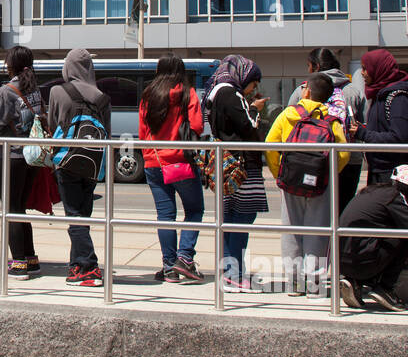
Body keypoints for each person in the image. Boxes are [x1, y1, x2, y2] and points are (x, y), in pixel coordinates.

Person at [266, 73, 350, 296]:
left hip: (291, 182)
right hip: (320, 185)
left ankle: (295, 283)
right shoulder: (332, 120)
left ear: (307, 92)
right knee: (318, 230)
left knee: (292, 230)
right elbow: (343, 154)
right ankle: (314, 284)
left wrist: (279, 173)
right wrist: (328, 175)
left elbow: (270, 144)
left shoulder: (288, 115)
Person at [202, 54, 268, 291]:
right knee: (242, 219)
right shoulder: (230, 93)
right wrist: (254, 108)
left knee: (228, 220)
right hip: (241, 165)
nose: (254, 87)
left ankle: (228, 272)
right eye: (254, 82)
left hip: (225, 164)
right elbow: (247, 126)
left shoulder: (214, 91)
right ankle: (234, 274)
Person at [139, 55, 205, 284]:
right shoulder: (188, 92)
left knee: (165, 216)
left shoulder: (148, 94)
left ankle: (169, 267)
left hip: (154, 161)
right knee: (194, 211)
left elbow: (142, 132)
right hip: (181, 163)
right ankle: (185, 259)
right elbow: (197, 126)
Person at [337, 165, 408, 311]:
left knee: (379, 237)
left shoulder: (372, 191)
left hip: (341, 261)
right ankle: (385, 288)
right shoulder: (396, 197)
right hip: (362, 260)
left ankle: (354, 281)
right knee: (404, 238)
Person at [48, 48, 111, 287]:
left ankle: (88, 266)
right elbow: (108, 133)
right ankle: (76, 265)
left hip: (67, 160)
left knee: (74, 215)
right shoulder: (102, 97)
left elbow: (53, 124)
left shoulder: (57, 91)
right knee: (83, 215)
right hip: (94, 163)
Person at [0, 46, 45, 280]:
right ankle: (31, 258)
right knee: (21, 207)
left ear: (10, 64)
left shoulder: (5, 91)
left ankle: (19, 263)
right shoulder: (35, 91)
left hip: (13, 156)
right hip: (33, 157)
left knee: (11, 209)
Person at [287, 49, 364, 214]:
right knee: (343, 211)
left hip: (312, 160)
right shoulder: (353, 91)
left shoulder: (303, 90)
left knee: (315, 212)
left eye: (309, 66)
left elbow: (289, 123)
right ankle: (340, 240)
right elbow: (362, 125)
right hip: (349, 160)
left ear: (316, 66)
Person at [349, 48, 408, 186]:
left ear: (378, 69)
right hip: (379, 172)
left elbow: (399, 138)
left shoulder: (398, 99)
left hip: (393, 175)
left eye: (365, 68)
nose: (362, 73)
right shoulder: (379, 96)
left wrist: (363, 134)